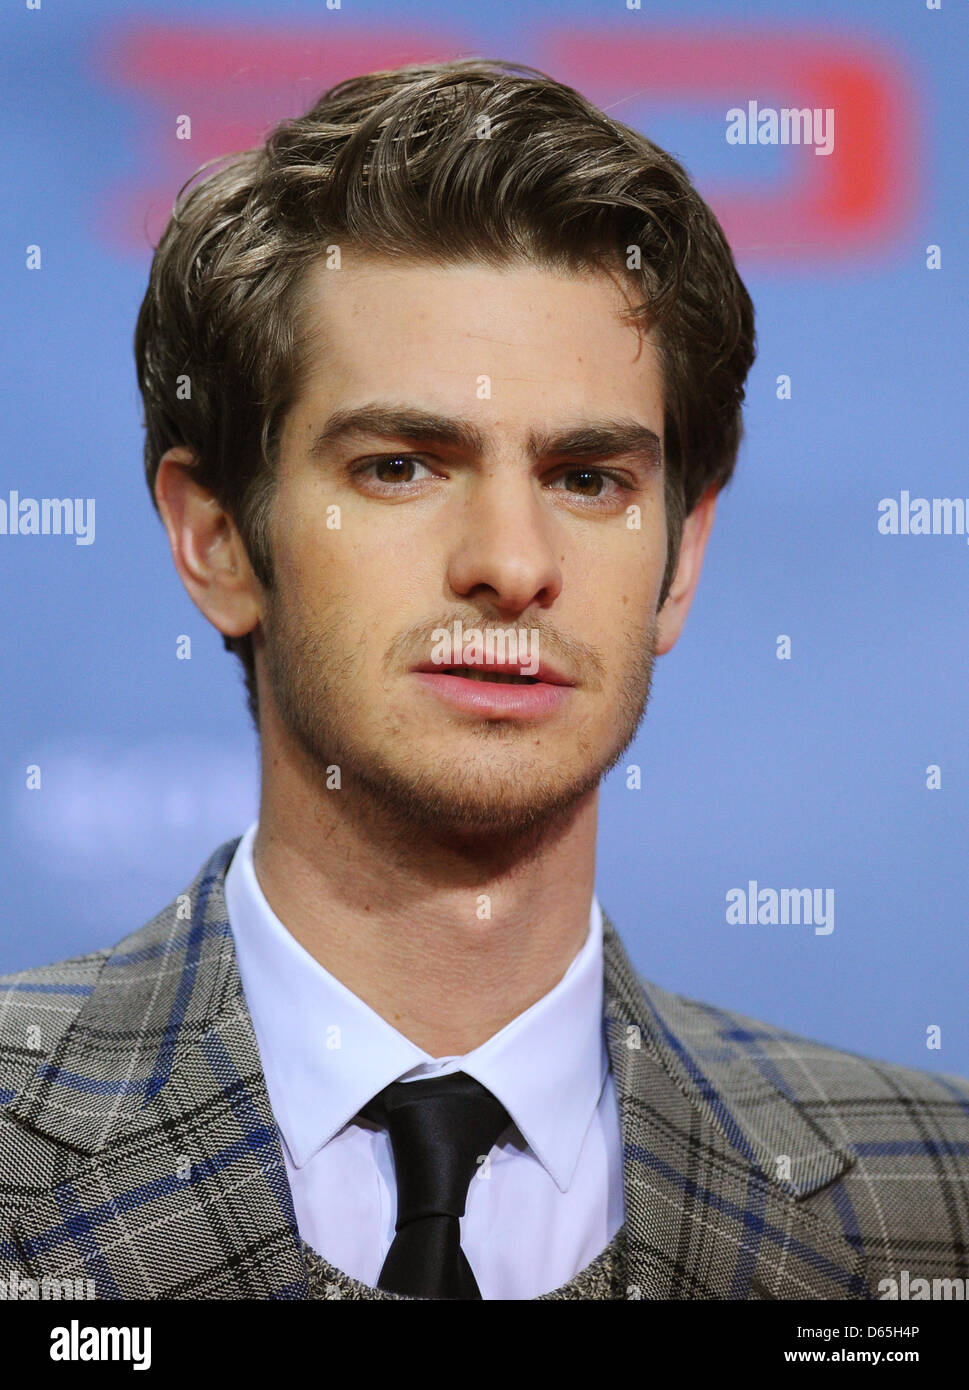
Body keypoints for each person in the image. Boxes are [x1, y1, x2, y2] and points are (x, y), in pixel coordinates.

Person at [1, 58, 966, 1303]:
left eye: (588, 478)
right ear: (217, 540)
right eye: (402, 466)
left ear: (681, 559)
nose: (513, 566)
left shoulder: (931, 1203)